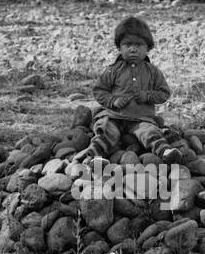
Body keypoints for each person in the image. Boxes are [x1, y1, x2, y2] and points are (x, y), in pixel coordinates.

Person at [73, 15, 182, 164]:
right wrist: (113, 101)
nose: (133, 49)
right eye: (127, 44)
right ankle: (93, 157)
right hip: (114, 115)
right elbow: (99, 90)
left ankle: (166, 152)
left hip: (141, 118)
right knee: (105, 129)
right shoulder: (113, 70)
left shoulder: (153, 71)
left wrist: (148, 96)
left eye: (138, 45)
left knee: (150, 131)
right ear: (119, 47)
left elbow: (164, 93)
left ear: (148, 47)